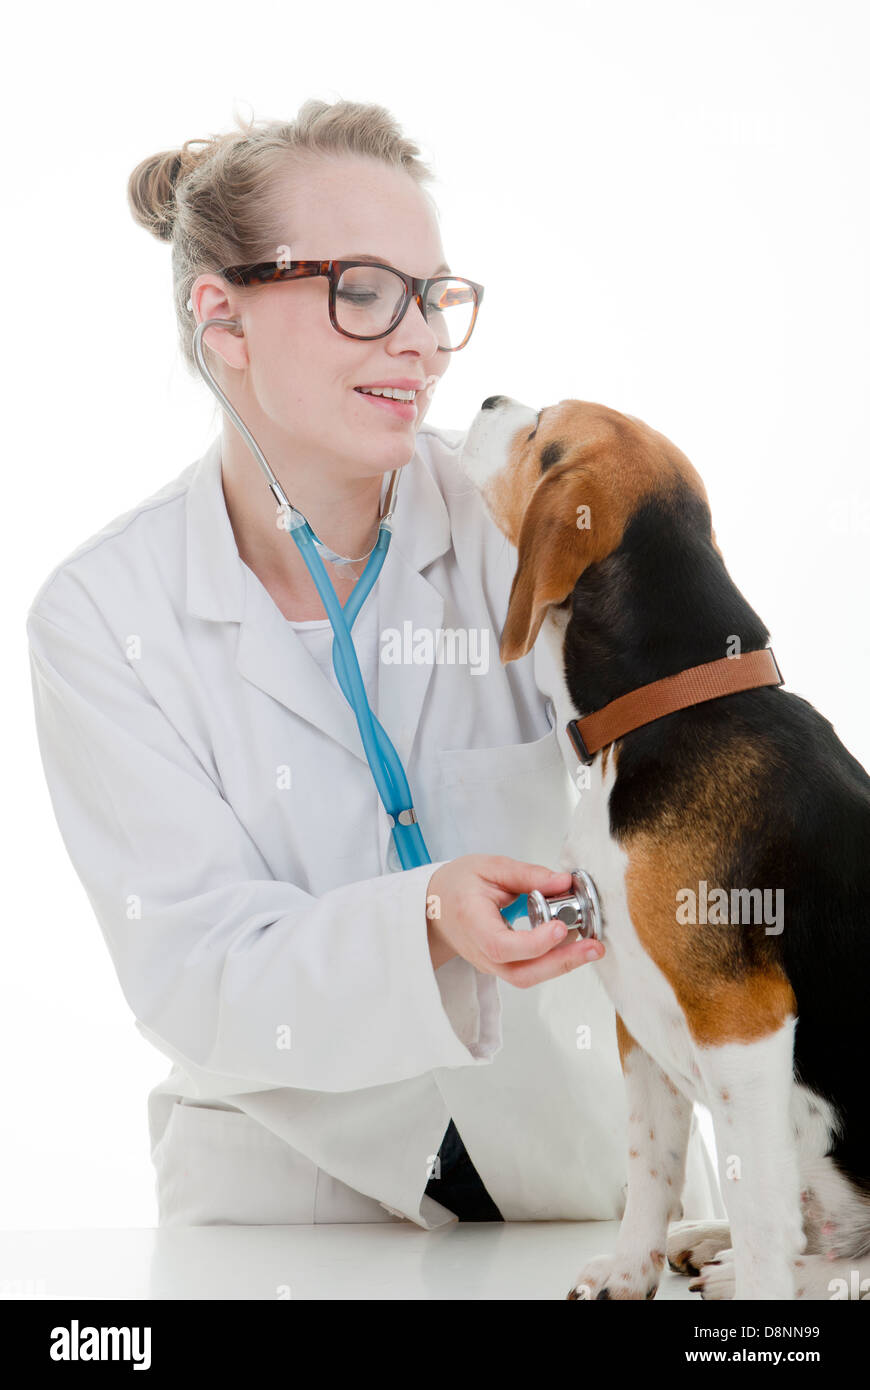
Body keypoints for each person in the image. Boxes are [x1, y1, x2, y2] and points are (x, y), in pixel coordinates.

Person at [25, 98, 723, 1229]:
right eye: (362, 290)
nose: (423, 341)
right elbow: (190, 964)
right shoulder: (104, 614)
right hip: (288, 1204)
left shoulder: (527, 529)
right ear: (224, 321)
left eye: (435, 296)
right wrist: (427, 919)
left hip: (593, 1175)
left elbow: (701, 771)